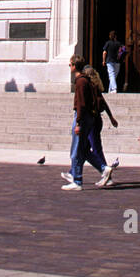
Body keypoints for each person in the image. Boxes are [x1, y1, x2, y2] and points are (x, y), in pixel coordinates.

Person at [63, 54, 99, 191]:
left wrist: (78, 123)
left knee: (76, 151)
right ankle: (103, 168)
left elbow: (81, 104)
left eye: (70, 64)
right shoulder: (84, 80)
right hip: (86, 117)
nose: (69, 66)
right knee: (82, 149)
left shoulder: (80, 82)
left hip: (82, 118)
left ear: (74, 66)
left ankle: (77, 180)